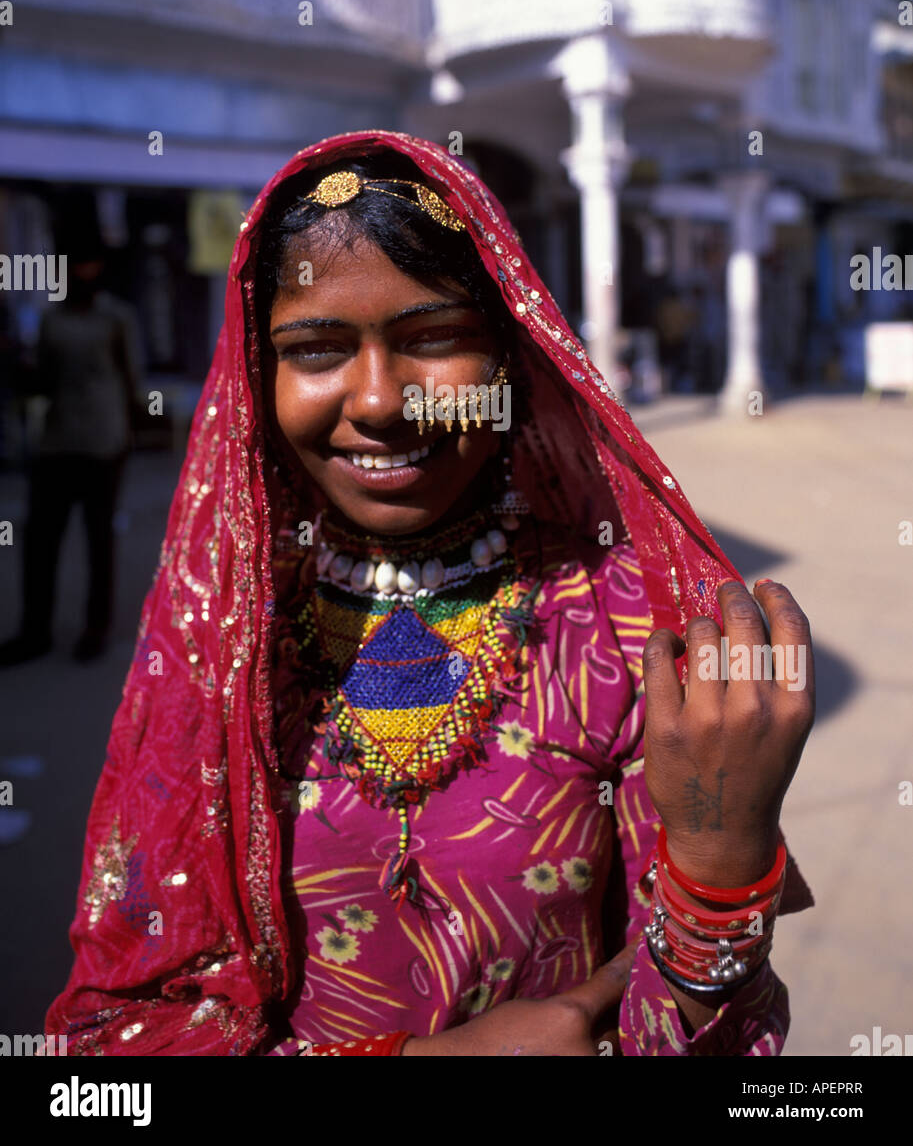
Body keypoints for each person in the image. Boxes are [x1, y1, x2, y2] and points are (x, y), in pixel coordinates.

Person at [46, 131, 814, 1056]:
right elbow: (108, 1048)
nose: (376, 401)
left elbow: (707, 1038)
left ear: (511, 366)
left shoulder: (627, 634)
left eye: (434, 340)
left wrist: (719, 866)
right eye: (317, 349)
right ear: (260, 379)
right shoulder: (219, 646)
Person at [0, 219, 144, 665]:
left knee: (99, 541)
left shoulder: (117, 318)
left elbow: (133, 383)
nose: (82, 272)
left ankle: (94, 630)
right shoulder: (50, 320)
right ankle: (34, 631)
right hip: (56, 444)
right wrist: (16, 365)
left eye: (88, 264)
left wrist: (127, 439)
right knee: (40, 541)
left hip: (103, 444)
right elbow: (40, 382)